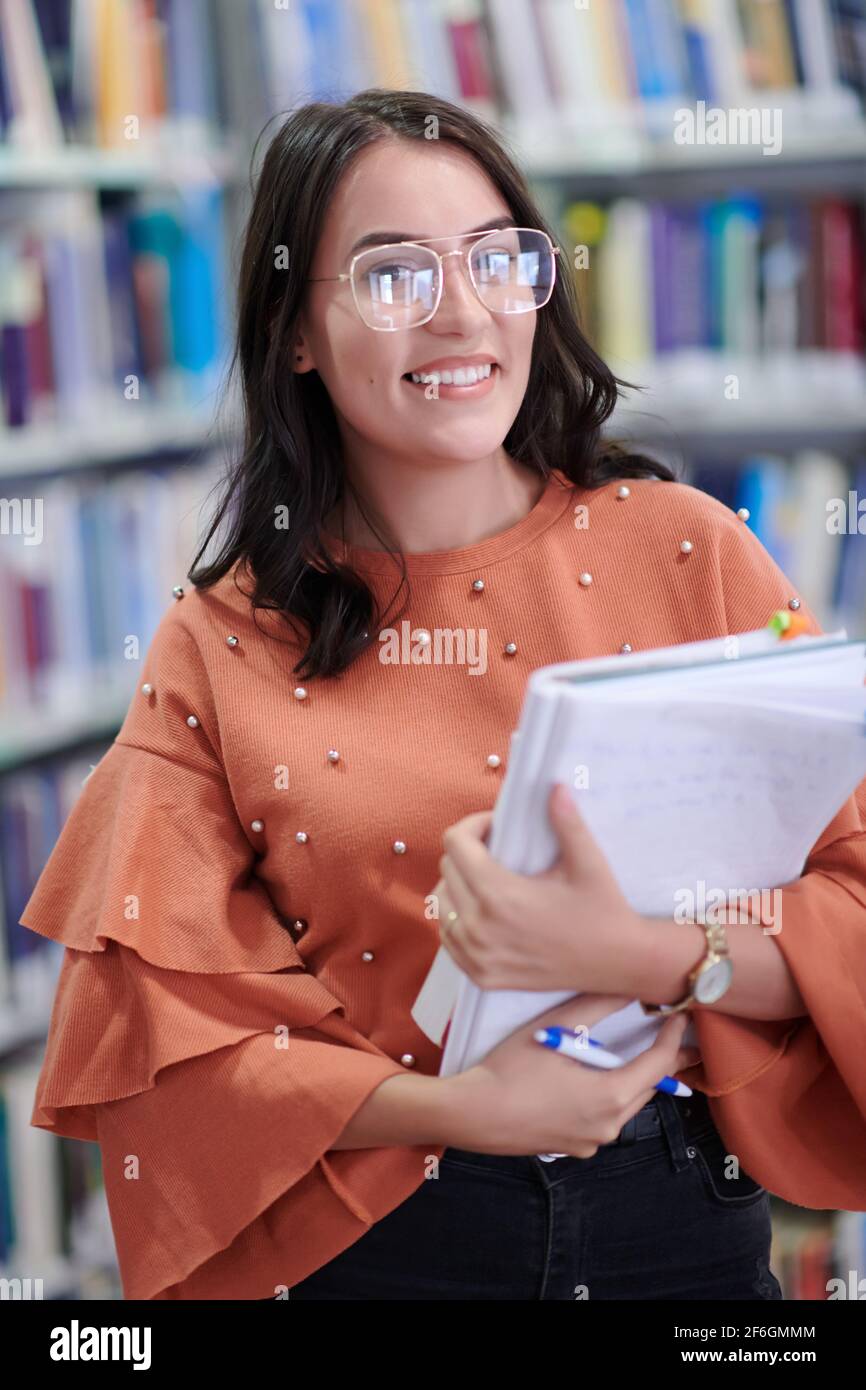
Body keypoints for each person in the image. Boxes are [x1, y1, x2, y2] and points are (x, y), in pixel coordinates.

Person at [21, 89, 866, 1301]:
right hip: (383, 1246)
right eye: (392, 274)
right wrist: (464, 1108)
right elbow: (171, 1037)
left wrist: (648, 951)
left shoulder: (690, 548)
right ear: (295, 334)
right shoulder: (219, 640)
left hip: (682, 1226)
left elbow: (846, 900)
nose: (463, 313)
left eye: (495, 260)